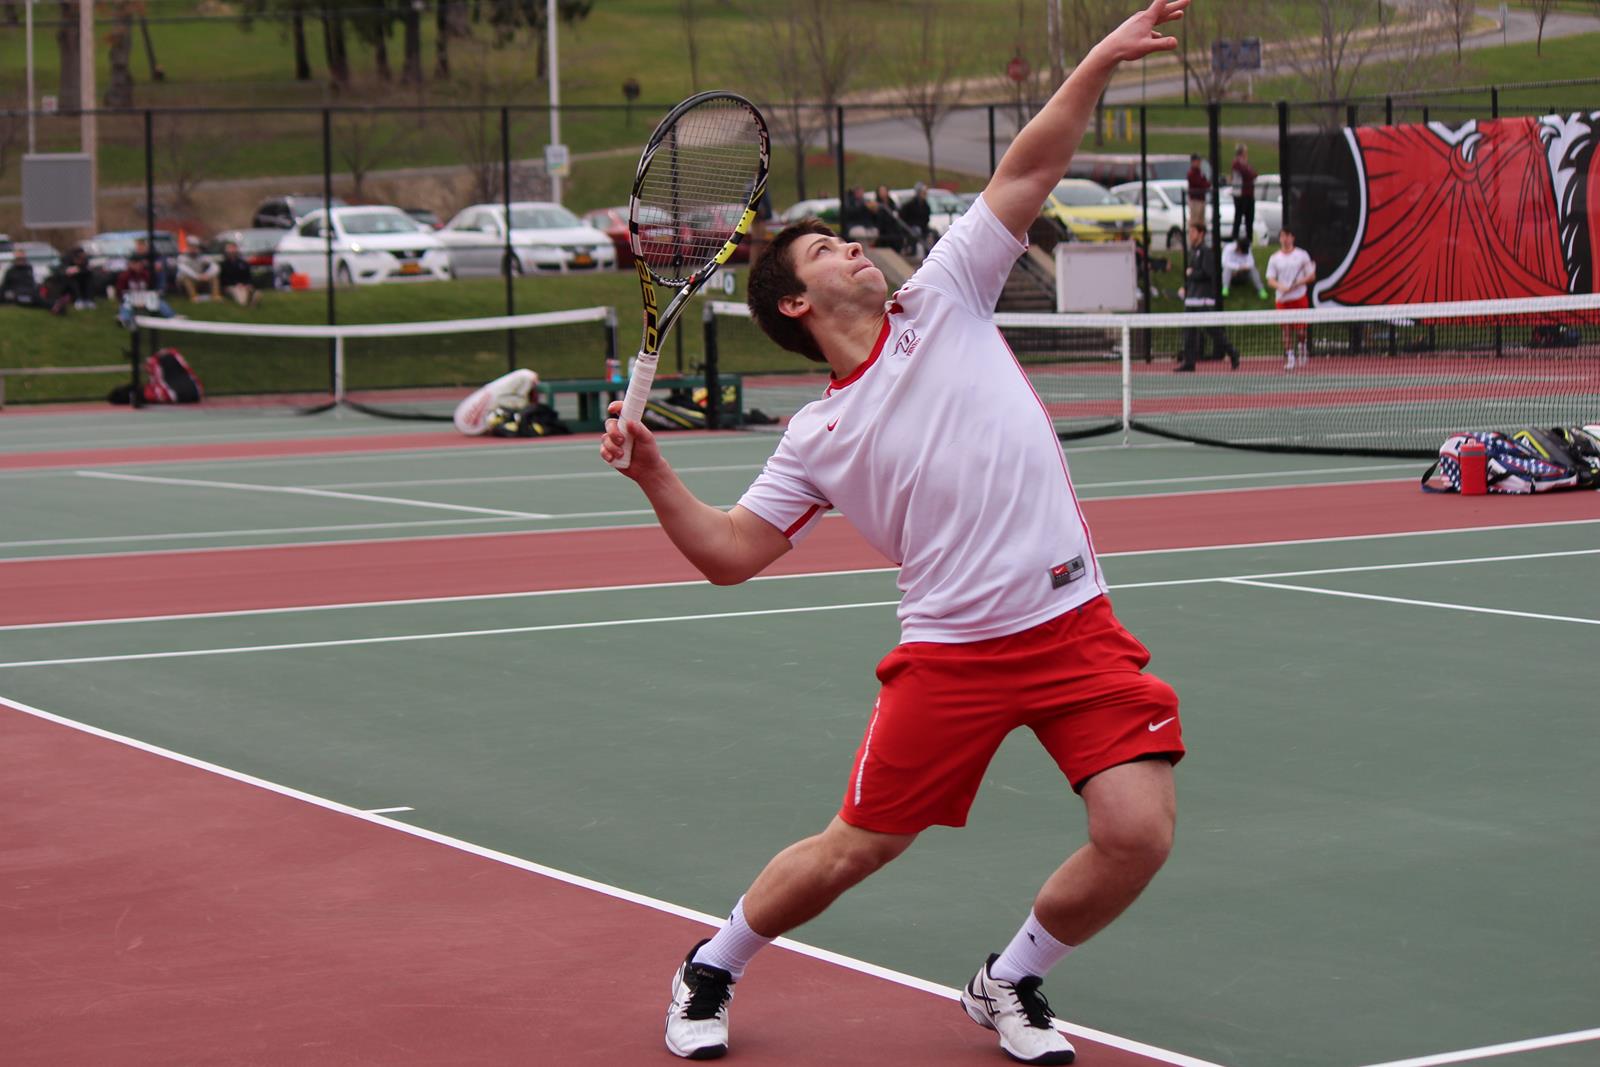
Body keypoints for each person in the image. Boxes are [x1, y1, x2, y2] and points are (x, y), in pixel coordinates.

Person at [603, 3, 1191, 1062]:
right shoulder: (817, 434)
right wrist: (655, 474)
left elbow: (1027, 165)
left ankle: (1008, 980)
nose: (855, 249)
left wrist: (1097, 61)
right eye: (828, 248)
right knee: (851, 851)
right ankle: (713, 960)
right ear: (793, 304)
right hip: (951, 653)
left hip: (1072, 622)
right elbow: (731, 553)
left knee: (1137, 830)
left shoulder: (949, 294)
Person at [1176, 223, 1238, 371]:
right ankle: (1189, 363)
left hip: (1202, 299)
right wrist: (1185, 288)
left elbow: (1207, 273)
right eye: (1189, 231)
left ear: (1201, 233)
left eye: (1193, 231)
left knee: (1212, 329)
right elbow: (1191, 274)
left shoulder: (1206, 252)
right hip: (1191, 299)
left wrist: (1192, 274)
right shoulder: (1195, 251)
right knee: (1189, 333)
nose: (1190, 235)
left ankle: (1232, 351)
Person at [1266, 225, 1315, 370]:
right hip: (1282, 300)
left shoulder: (1302, 255)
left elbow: (1311, 276)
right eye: (1282, 236)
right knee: (1286, 330)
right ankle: (1290, 357)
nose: (1285, 239)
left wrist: (1298, 283)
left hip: (1299, 297)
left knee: (1300, 332)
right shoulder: (1274, 258)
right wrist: (1281, 287)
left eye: (1287, 236)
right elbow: (1270, 279)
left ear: (1292, 238)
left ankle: (1302, 346)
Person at [1221, 235, 1268, 300]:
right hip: (1231, 276)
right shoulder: (1228, 248)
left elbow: (1251, 263)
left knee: (1253, 268)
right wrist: (1238, 267)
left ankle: (1261, 289)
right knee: (1227, 269)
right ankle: (1225, 288)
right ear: (1238, 247)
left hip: (1243, 275)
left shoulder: (1247, 249)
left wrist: (1242, 268)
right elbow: (1224, 263)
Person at [1229, 143, 1257, 244]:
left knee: (1250, 218)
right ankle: (1234, 238)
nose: (1246, 154)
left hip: (1249, 194)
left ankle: (1249, 240)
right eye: (1245, 152)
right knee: (1238, 217)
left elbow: (1254, 174)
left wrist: (1250, 172)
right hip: (1240, 195)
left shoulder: (1245, 163)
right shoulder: (1237, 163)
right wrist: (1250, 172)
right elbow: (1247, 174)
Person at [217, 242, 260, 306]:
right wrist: (236, 284)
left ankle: (251, 296)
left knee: (248, 290)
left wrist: (247, 284)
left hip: (243, 285)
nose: (232, 250)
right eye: (230, 248)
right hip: (230, 286)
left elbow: (248, 276)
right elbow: (223, 279)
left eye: (233, 248)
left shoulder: (243, 263)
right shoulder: (223, 264)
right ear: (226, 251)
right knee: (242, 301)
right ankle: (249, 299)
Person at [899, 183, 933, 253]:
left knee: (933, 234)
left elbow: (926, 219)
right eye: (923, 193)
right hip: (912, 227)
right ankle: (911, 250)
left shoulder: (926, 206)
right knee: (916, 231)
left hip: (923, 227)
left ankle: (928, 252)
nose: (925, 194)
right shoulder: (910, 205)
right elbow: (903, 216)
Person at [1185, 152, 1209, 233]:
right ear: (1193, 162)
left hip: (1201, 199)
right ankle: (1194, 238)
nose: (1199, 163)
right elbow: (1199, 183)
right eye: (1197, 161)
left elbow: (1205, 182)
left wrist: (1206, 183)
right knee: (1195, 222)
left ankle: (1200, 238)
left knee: (1201, 222)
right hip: (1195, 201)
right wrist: (1205, 183)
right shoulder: (1191, 173)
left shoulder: (1200, 172)